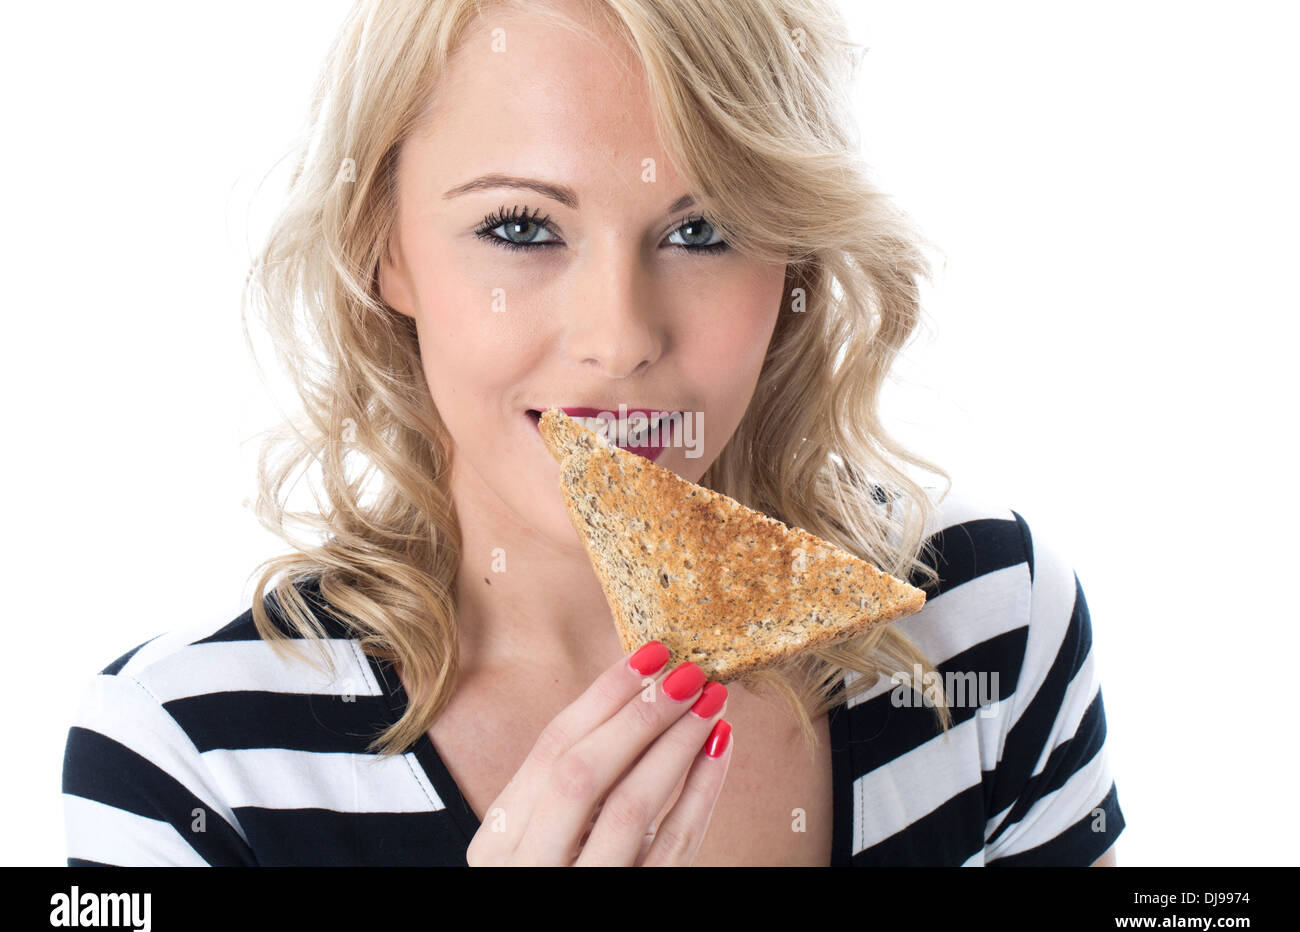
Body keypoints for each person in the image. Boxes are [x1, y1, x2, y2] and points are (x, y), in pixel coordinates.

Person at [61, 0, 1125, 866]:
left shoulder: (989, 624)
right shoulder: (187, 759)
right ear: (386, 250)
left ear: (793, 259)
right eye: (519, 227)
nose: (618, 337)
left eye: (702, 229)